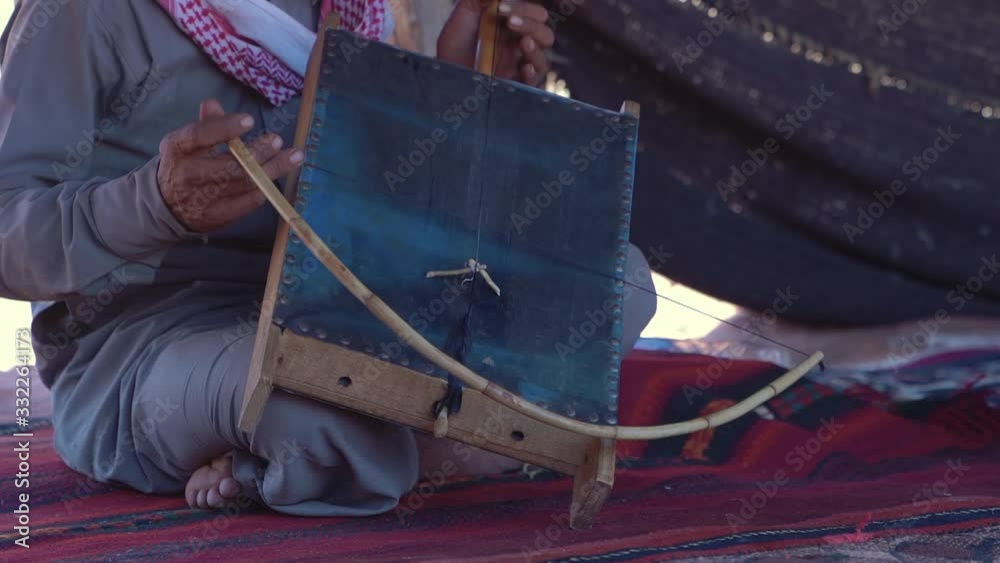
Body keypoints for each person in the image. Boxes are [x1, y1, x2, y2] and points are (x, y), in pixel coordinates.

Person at [0, 0, 656, 515]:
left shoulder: (355, 9)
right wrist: (155, 205)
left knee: (616, 282)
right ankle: (439, 442)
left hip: (344, 305)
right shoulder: (83, 11)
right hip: (153, 342)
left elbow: (385, 211)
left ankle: (386, 446)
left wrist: (467, 98)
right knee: (309, 410)